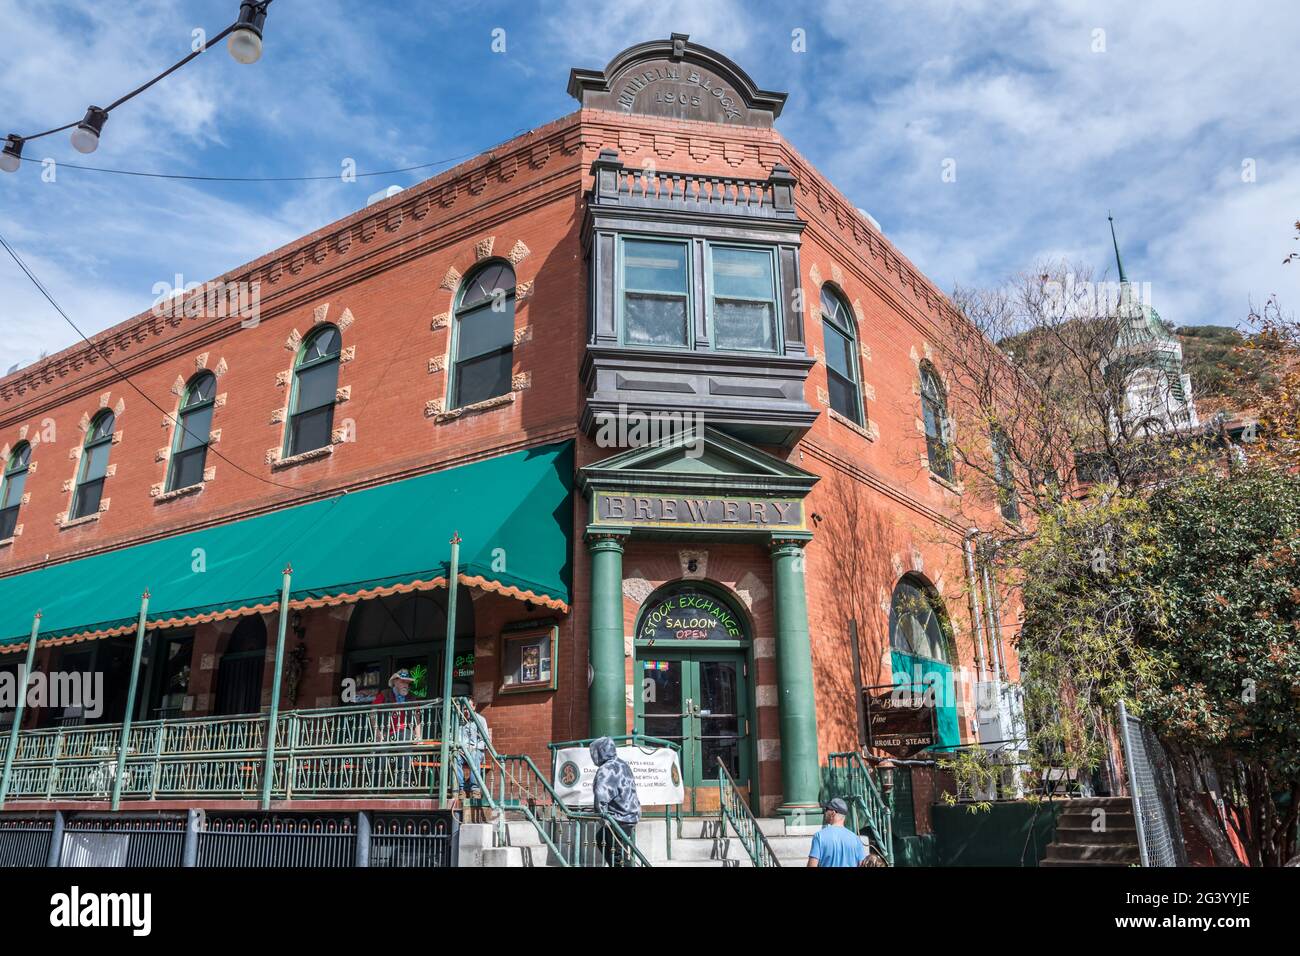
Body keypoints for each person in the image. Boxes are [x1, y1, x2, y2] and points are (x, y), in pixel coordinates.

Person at [590, 736, 641, 867]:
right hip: (631, 815)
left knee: (618, 856)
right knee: (604, 839)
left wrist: (601, 816)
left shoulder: (606, 769)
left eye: (594, 752)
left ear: (600, 751)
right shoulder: (622, 764)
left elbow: (601, 796)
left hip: (619, 818)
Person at [807, 798, 869, 868]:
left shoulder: (819, 836)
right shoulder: (856, 839)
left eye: (826, 809)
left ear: (833, 813)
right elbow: (862, 864)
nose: (825, 812)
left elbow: (812, 865)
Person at [370, 670, 422, 742]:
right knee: (382, 749)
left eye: (407, 683)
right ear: (395, 682)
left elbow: (417, 717)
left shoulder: (411, 697)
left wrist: (418, 736)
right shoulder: (385, 694)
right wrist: (377, 731)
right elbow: (372, 712)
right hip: (386, 732)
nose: (405, 685)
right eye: (403, 682)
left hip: (405, 731)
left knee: (405, 737)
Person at [455, 697, 488, 799]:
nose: (466, 711)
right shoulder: (459, 721)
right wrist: (461, 748)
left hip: (476, 751)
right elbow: (456, 738)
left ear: (474, 707)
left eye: (468, 708)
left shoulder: (481, 720)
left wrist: (475, 748)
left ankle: (475, 789)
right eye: (464, 709)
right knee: (454, 756)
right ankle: (461, 788)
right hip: (463, 751)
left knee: (474, 754)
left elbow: (485, 741)